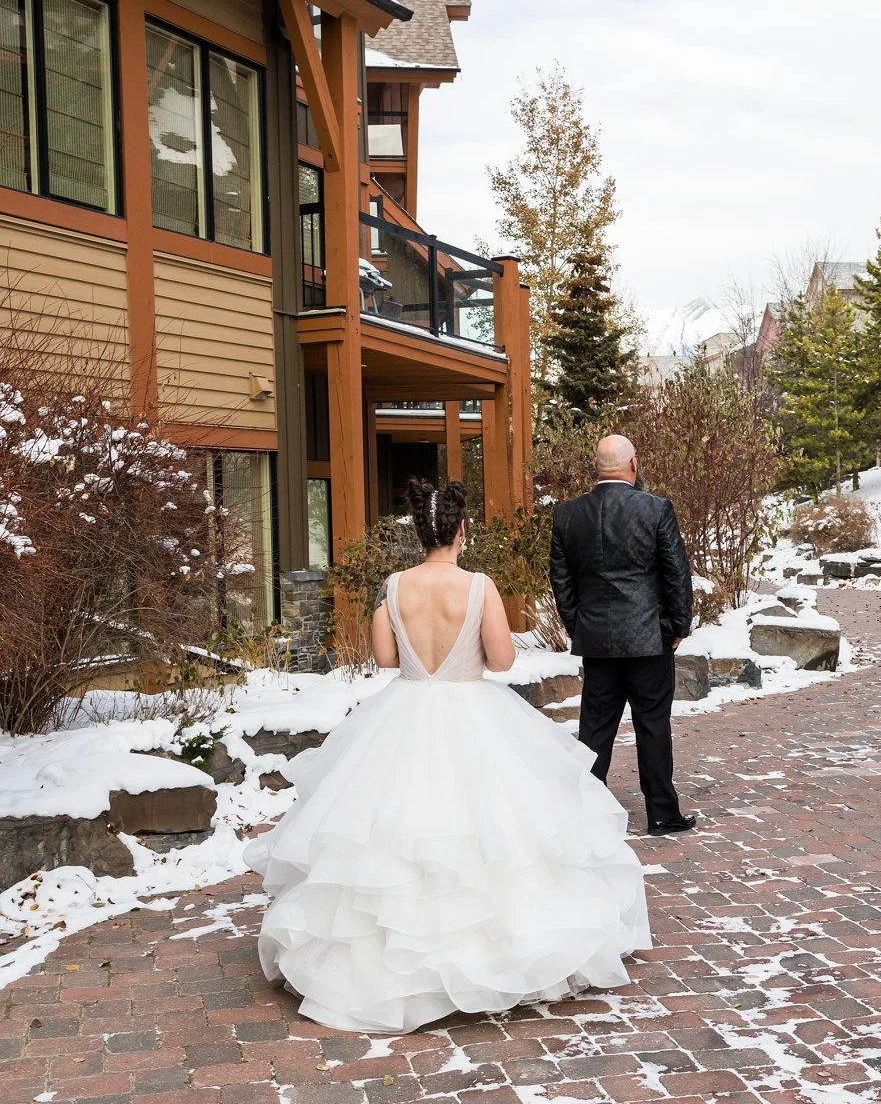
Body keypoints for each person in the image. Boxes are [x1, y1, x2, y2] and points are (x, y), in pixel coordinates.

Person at [244, 476, 651, 1034]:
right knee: (496, 833)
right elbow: (504, 660)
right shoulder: (478, 585)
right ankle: (498, 959)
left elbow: (386, 658)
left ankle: (388, 967)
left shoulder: (394, 586)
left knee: (391, 831)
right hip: (473, 712)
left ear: (420, 532)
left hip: (403, 713)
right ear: (462, 531)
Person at [549, 434, 695, 836]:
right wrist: (678, 626)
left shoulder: (568, 515)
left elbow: (561, 583)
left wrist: (579, 625)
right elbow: (675, 573)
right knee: (652, 724)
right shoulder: (655, 509)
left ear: (597, 467)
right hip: (649, 637)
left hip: (598, 638)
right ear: (633, 464)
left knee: (595, 726)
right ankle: (662, 813)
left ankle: (585, 811)